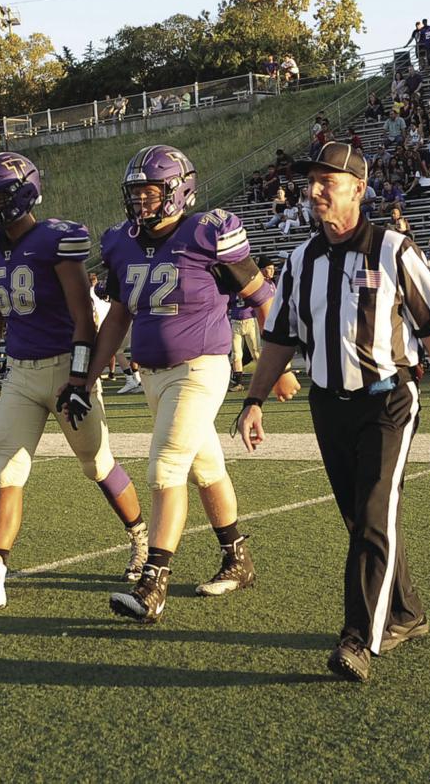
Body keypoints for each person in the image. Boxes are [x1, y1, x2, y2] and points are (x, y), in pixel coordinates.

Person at [235, 141, 430, 682]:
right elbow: (280, 338)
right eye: (313, 181)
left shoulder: (394, 249)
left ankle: (357, 639)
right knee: (360, 521)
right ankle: (407, 613)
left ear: (359, 188)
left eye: (330, 181)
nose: (316, 190)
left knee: (374, 514)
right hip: (328, 404)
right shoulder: (301, 260)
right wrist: (254, 400)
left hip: (388, 400)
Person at [90, 144, 299, 623]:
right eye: (134, 193)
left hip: (202, 366)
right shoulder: (121, 242)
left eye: (149, 192)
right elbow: (118, 314)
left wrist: (280, 366)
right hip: (153, 375)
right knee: (206, 468)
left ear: (177, 190)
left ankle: (153, 584)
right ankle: (238, 558)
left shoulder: (207, 233)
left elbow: (263, 297)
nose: (140, 202)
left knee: (165, 467)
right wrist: (88, 372)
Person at [0, 152, 147, 611]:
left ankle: (140, 539)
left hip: (62, 368)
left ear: (22, 193)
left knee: (97, 464)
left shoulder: (56, 238)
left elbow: (82, 317)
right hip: (20, 372)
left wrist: (78, 379)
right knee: (6, 469)